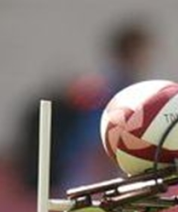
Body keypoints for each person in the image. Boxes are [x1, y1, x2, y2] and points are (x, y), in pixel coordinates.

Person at [14, 20, 156, 193]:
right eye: (145, 50)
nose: (148, 57)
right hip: (88, 172)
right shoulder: (112, 86)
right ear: (133, 50)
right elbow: (96, 134)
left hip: (90, 170)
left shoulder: (112, 83)